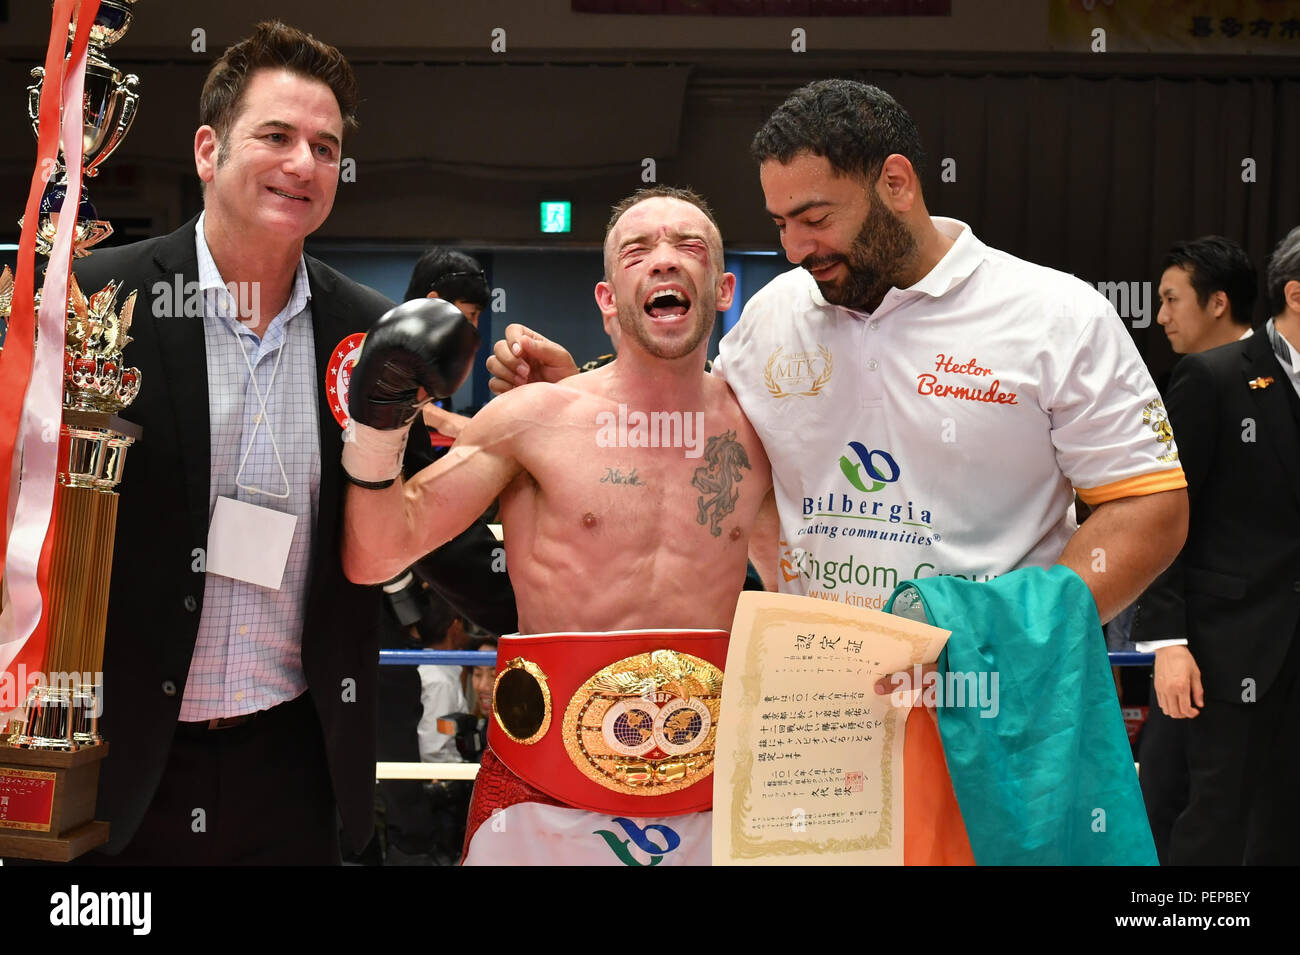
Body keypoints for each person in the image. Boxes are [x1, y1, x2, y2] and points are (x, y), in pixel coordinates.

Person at [24, 21, 501, 866]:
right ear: (208, 150)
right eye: (276, 136)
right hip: (122, 756)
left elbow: (429, 516)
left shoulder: (366, 329)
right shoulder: (98, 299)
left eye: (326, 146)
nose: (304, 164)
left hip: (297, 759)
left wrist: (562, 606)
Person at [489, 79, 1187, 630]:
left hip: (995, 701)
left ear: (897, 184)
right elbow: (703, 440)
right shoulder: (772, 317)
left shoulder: (1058, 315)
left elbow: (1150, 507)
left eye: (816, 219)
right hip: (821, 709)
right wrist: (581, 396)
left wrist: (1016, 632)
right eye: (781, 224)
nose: (795, 249)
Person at [341, 186, 773, 864]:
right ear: (607, 299)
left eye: (688, 246)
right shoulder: (534, 420)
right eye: (639, 249)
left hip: (710, 798)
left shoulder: (761, 435)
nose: (664, 260)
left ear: (722, 288)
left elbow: (813, 587)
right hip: (542, 797)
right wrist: (379, 422)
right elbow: (376, 554)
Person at [1133, 225, 1300, 865]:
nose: (1162, 316)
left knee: (1283, 818)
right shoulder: (1214, 378)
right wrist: (1169, 643)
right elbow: (1167, 517)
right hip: (1229, 645)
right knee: (1212, 817)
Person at [1155, 236, 1258, 355]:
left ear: (1218, 304)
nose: (1161, 318)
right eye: (1162, 301)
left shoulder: (1267, 368)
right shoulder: (1200, 370)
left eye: (1171, 299)